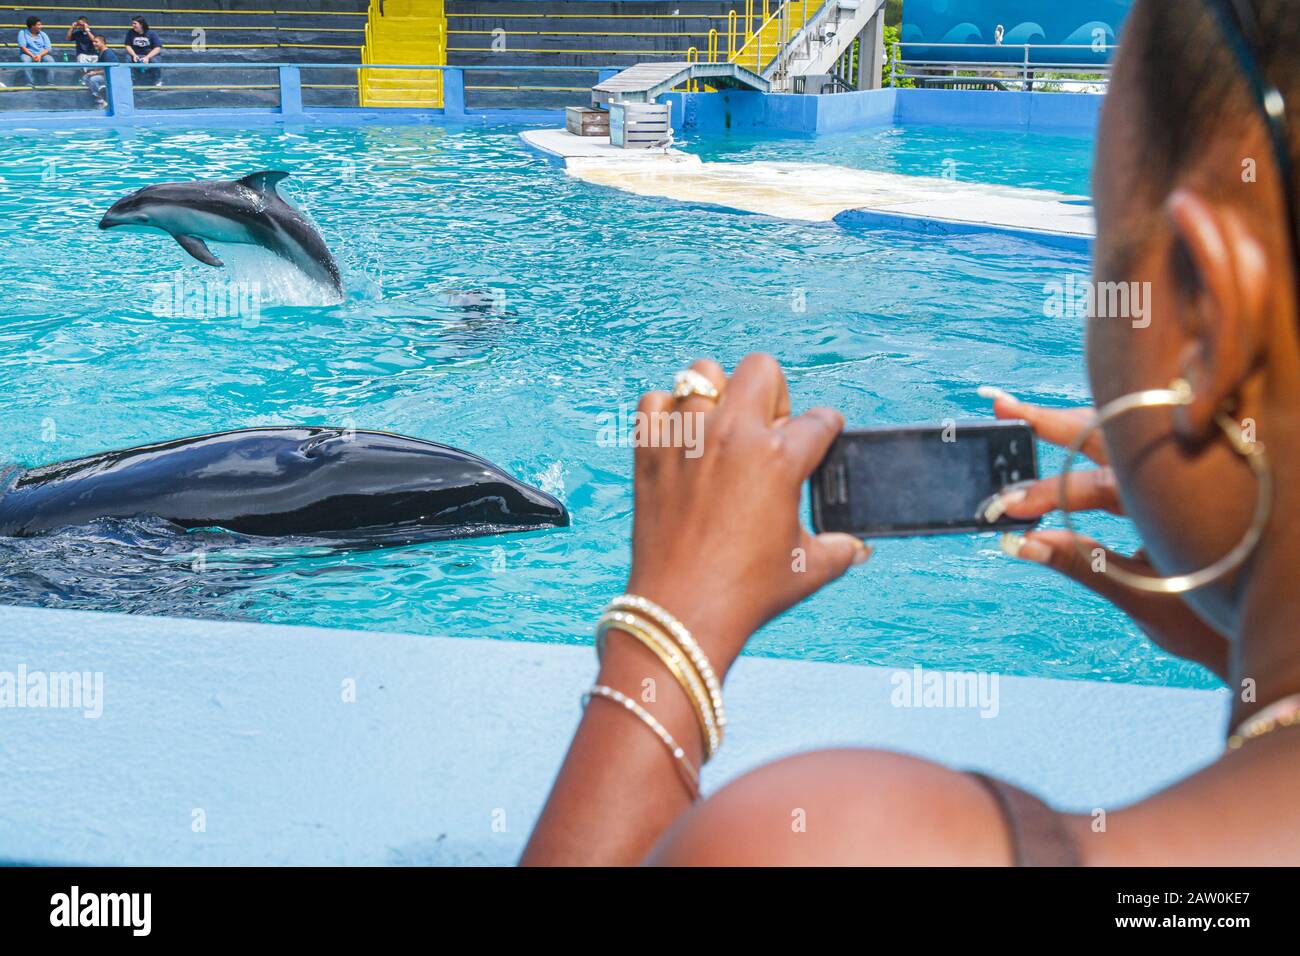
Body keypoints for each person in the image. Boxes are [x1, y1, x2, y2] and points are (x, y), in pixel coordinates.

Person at [523, 0, 1300, 866]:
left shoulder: (855, 842)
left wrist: (668, 625)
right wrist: (1265, 625)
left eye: (1108, 251)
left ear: (1207, 323)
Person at [123, 15, 162, 87]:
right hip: (136, 55)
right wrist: (134, 55)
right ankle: (130, 80)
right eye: (132, 23)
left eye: (135, 23)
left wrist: (147, 57)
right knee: (127, 58)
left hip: (148, 55)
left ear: (141, 24)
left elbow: (157, 48)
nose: (133, 25)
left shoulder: (152, 34)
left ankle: (157, 80)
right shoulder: (130, 33)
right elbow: (127, 45)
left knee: (156, 60)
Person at [16, 16, 52, 88]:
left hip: (41, 54)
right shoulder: (22, 32)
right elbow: (23, 47)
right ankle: (30, 83)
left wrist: (39, 55)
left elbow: (48, 48)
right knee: (26, 61)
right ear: (32, 26)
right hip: (27, 54)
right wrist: (32, 56)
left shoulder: (43, 34)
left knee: (50, 60)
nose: (40, 26)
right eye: (38, 25)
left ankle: (50, 83)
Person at [85, 34, 118, 109]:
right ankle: (100, 89)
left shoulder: (108, 53)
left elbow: (110, 69)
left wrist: (95, 73)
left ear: (102, 43)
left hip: (111, 76)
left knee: (93, 79)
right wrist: (92, 71)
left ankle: (100, 100)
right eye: (93, 42)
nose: (94, 44)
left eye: (96, 42)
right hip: (105, 74)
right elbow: (100, 66)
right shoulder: (101, 52)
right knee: (85, 77)